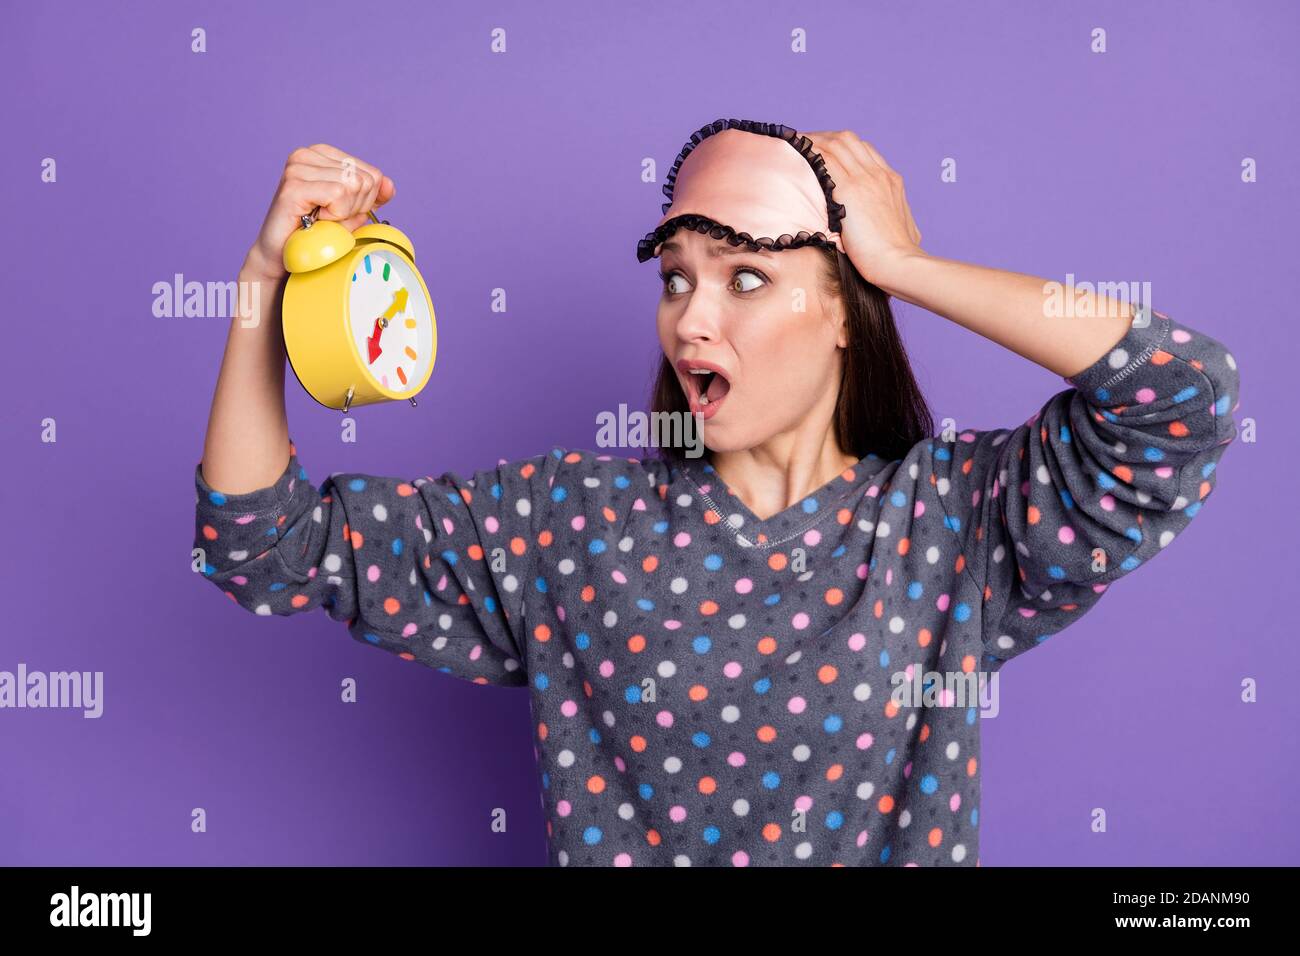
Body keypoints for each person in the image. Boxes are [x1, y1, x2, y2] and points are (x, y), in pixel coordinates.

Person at [193, 118, 1241, 866]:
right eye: (675, 277)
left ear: (842, 311)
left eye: (745, 276)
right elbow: (262, 542)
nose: (692, 319)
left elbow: (1184, 399)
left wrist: (907, 264)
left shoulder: (949, 524)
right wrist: (262, 280)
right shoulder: (568, 523)